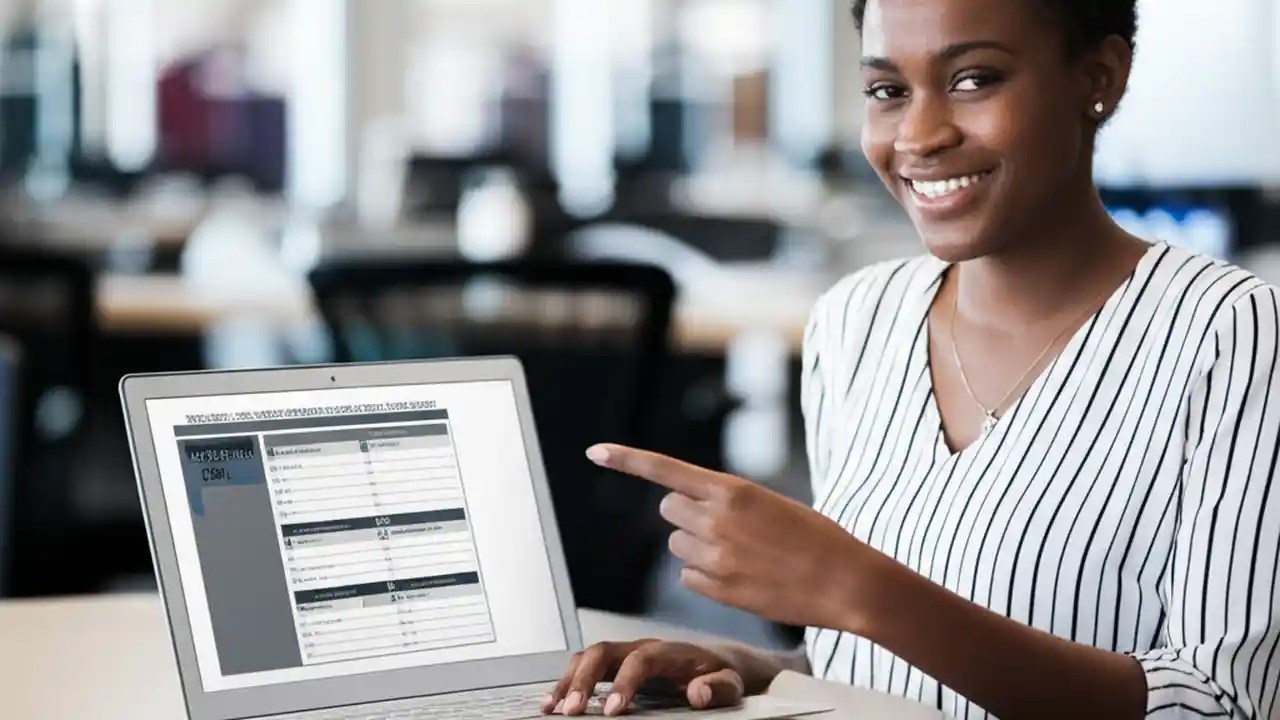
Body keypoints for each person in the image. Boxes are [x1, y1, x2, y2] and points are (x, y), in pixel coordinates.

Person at [541, 0, 1280, 718]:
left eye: (974, 79)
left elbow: (1223, 703)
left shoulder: (1232, 332)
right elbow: (871, 665)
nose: (919, 135)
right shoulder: (854, 319)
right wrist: (750, 668)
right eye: (887, 91)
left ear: (1100, 77)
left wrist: (856, 587)